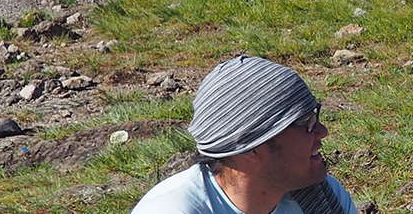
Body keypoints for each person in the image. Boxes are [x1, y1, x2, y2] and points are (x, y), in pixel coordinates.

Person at [130, 55, 356, 214]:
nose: (322, 132)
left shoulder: (320, 198)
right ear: (251, 147)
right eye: (306, 123)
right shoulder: (173, 210)